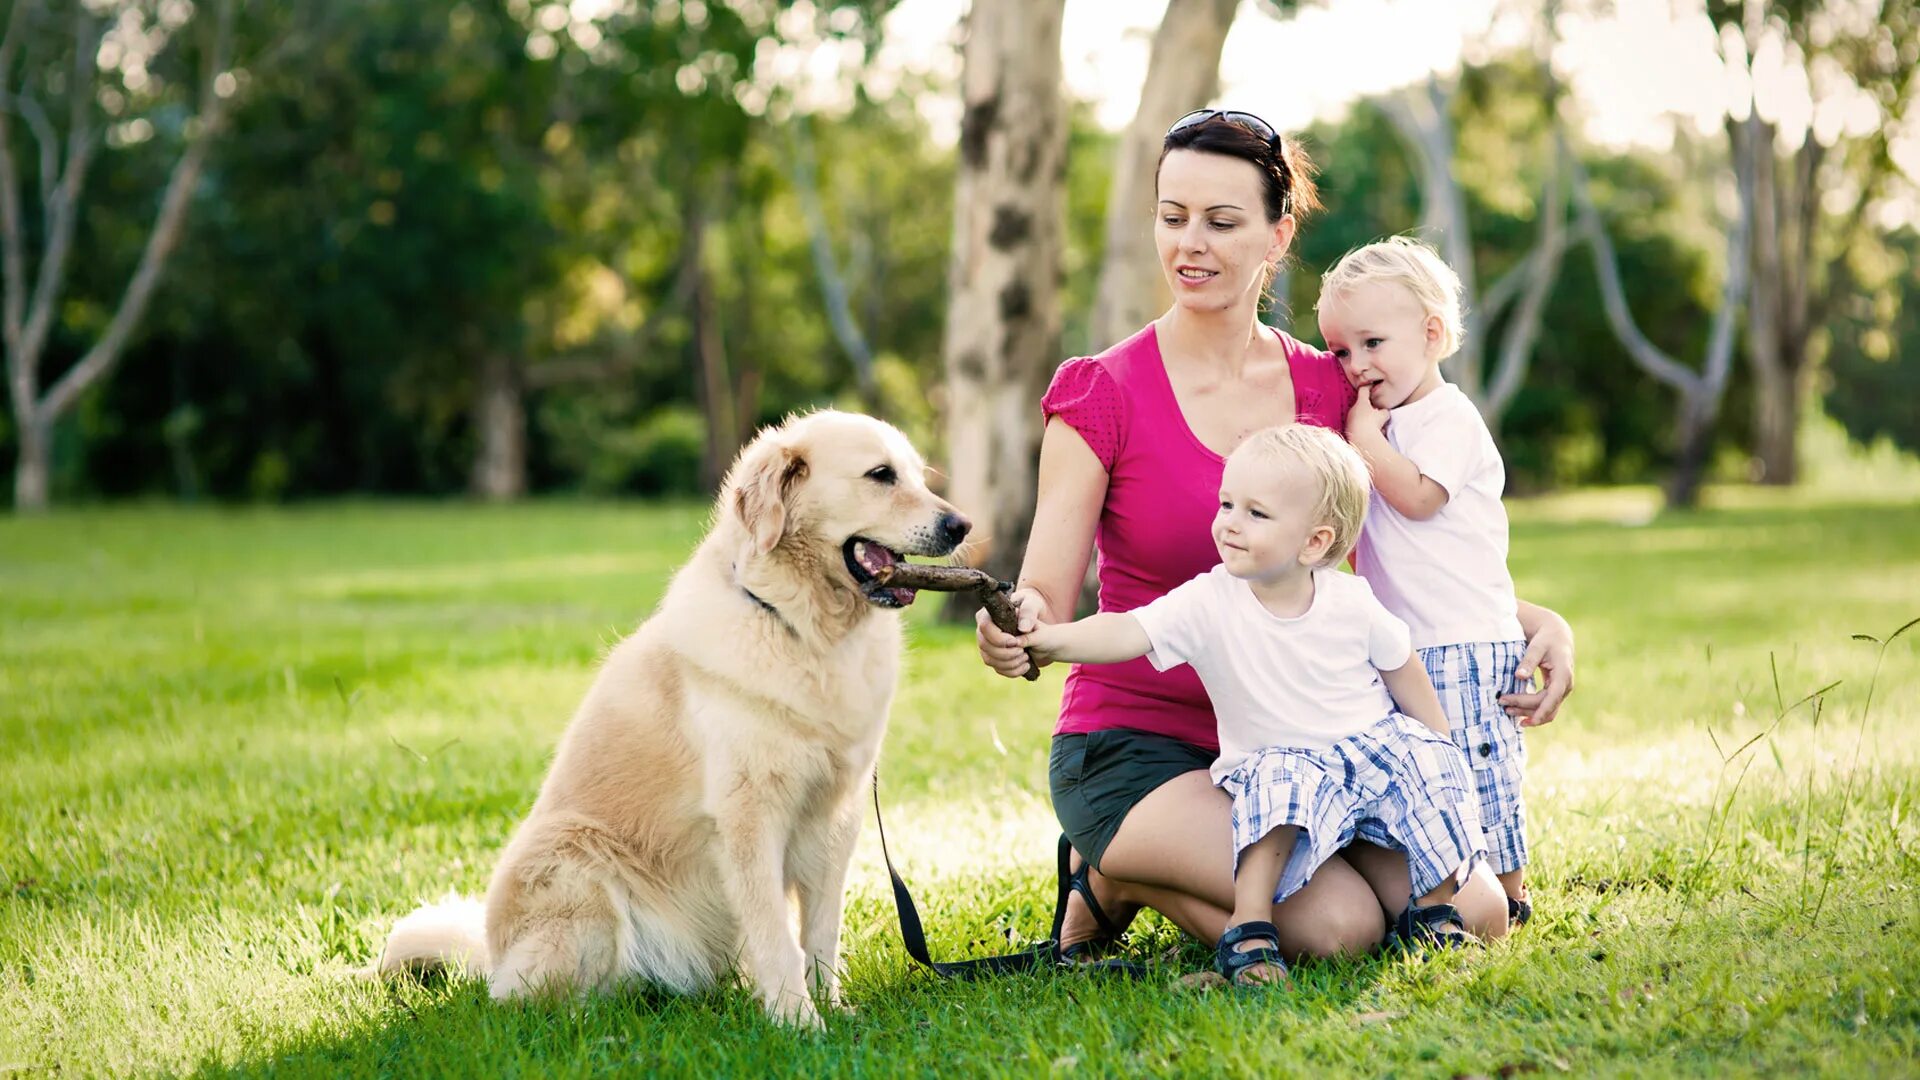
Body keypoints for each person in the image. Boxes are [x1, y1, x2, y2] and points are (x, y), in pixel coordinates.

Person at [974, 108, 1576, 964]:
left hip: (1307, 744)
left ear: (1277, 234)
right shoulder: (1099, 392)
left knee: (1472, 909)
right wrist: (1018, 627)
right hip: (1140, 743)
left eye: (1222, 222)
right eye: (1172, 215)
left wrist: (1538, 623)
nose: (1192, 244)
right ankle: (1117, 866)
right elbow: (1045, 587)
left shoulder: (1331, 393)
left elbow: (1383, 573)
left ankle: (1137, 875)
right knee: (1340, 930)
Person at [1019, 424, 1505, 986]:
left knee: (1482, 909)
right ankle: (1248, 932)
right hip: (1286, 770)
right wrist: (1050, 641)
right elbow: (1127, 632)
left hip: (1364, 763)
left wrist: (1433, 746)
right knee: (1322, 885)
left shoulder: (1351, 600)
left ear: (1314, 543)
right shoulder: (1210, 598)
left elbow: (1404, 670)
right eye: (1226, 503)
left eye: (1255, 513)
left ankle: (1434, 913)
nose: (1228, 522)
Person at [1320, 237, 1540, 925]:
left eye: (1372, 343)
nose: (1357, 366)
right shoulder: (1385, 420)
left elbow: (1419, 497)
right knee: (1429, 774)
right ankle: (1449, 886)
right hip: (1410, 643)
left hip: (1466, 641)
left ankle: (1508, 889)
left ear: (1433, 333)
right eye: (1340, 351)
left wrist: (1365, 442)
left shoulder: (1450, 418)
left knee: (1481, 765)